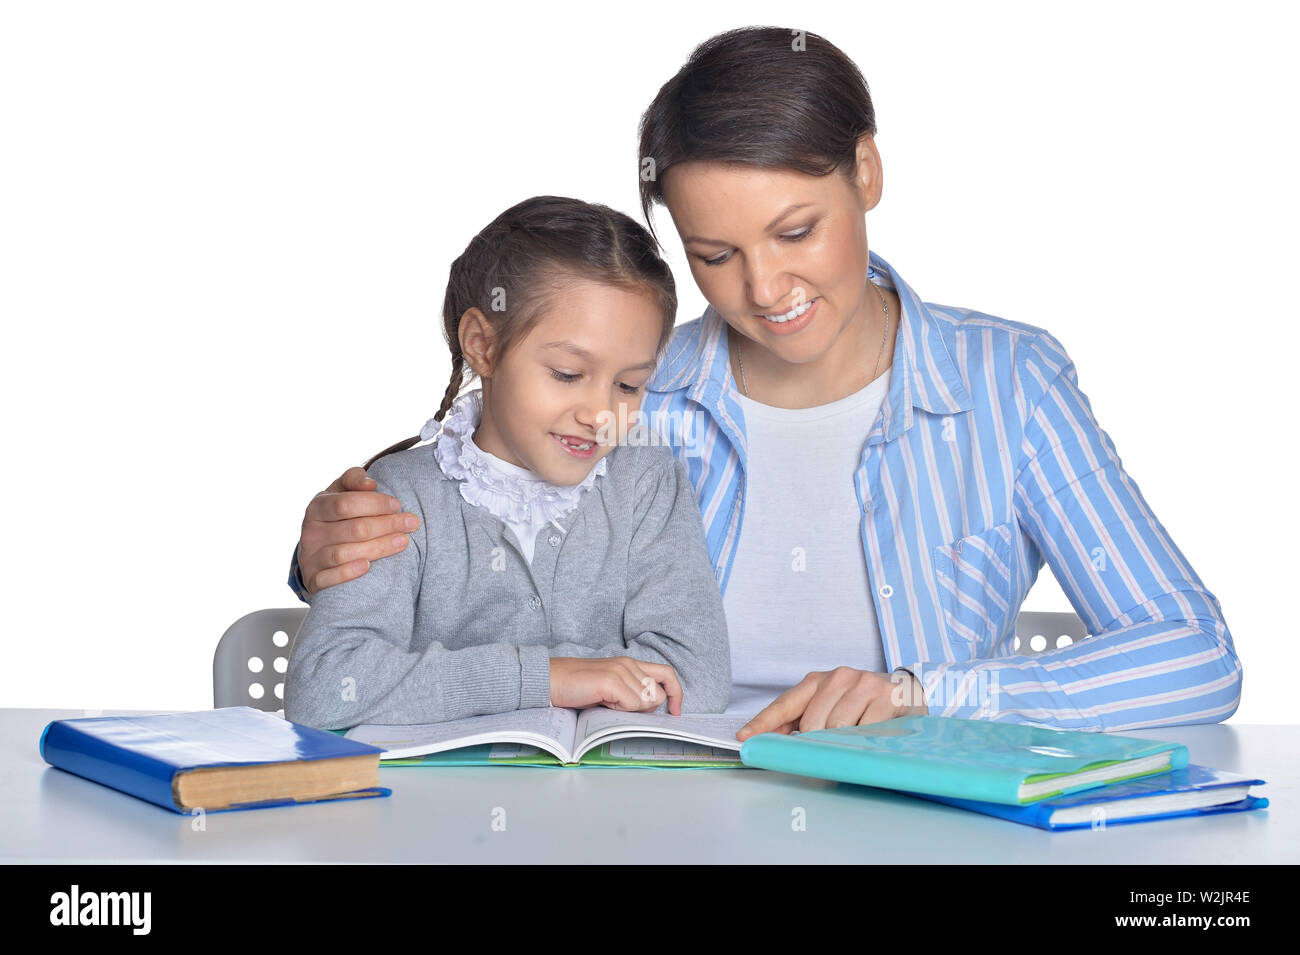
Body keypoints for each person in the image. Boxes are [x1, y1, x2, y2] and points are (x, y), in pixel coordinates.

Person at [287, 27, 1241, 736]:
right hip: (655, 806)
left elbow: (1196, 657)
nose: (767, 290)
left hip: (907, 813)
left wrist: (921, 692)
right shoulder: (638, 396)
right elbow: (476, 527)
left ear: (866, 171)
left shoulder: (1006, 386)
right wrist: (330, 546)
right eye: (714, 254)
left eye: (796, 232)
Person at [284, 196, 731, 730]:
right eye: (567, 374)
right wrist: (549, 678)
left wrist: (445, 683)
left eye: (629, 384)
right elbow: (325, 689)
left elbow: (696, 678)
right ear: (483, 345)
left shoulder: (647, 482)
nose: (599, 413)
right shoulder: (398, 497)